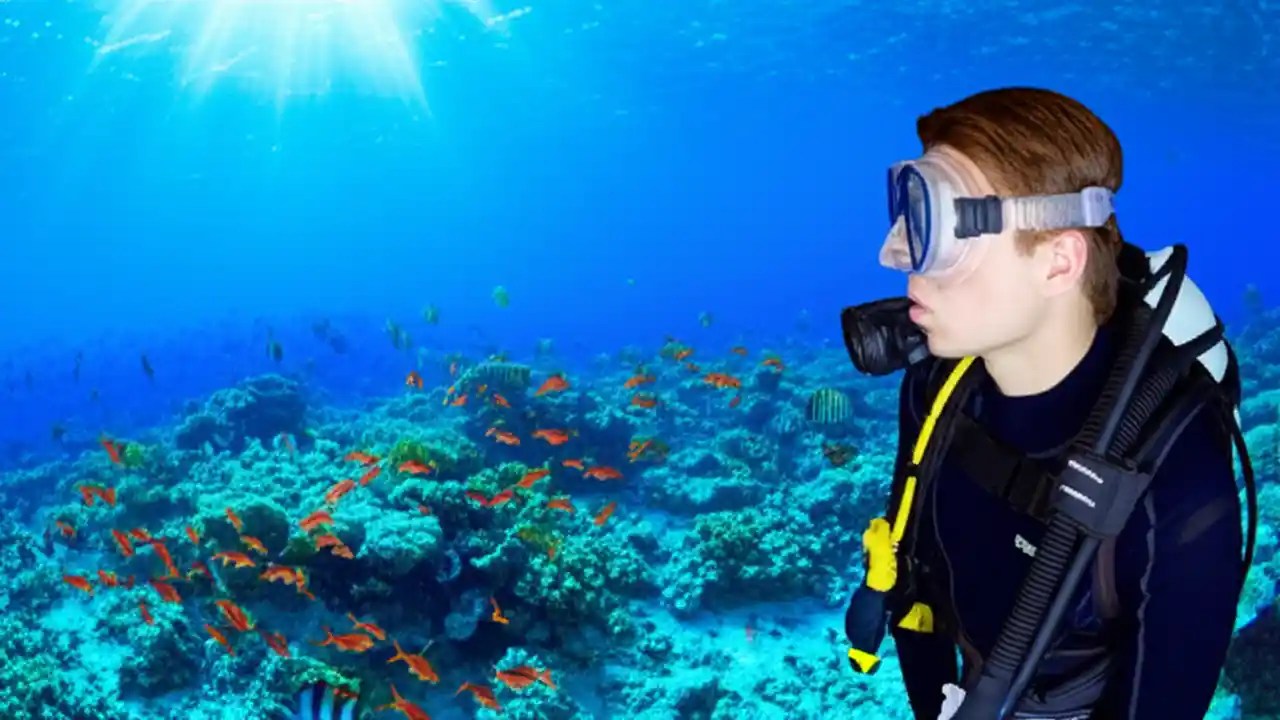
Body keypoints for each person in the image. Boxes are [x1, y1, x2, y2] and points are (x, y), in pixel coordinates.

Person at [838, 87, 1256, 720]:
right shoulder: (936, 388)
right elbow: (916, 581)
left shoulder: (1177, 468)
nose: (894, 254)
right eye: (906, 212)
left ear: (1059, 262)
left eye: (938, 226)